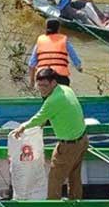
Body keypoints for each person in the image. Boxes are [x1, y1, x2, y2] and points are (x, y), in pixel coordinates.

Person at [10, 67, 88, 199]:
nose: (41, 89)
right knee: (74, 175)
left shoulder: (53, 100)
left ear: (53, 83)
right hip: (82, 139)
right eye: (39, 85)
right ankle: (76, 203)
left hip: (69, 145)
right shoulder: (66, 89)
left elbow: (39, 117)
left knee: (54, 178)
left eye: (45, 85)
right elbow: (49, 115)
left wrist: (22, 127)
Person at [27, 18, 83, 86]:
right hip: (60, 77)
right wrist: (79, 67)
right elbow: (74, 58)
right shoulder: (64, 40)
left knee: (45, 93)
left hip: (43, 77)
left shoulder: (40, 41)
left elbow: (31, 65)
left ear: (46, 28)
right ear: (58, 29)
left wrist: (32, 81)